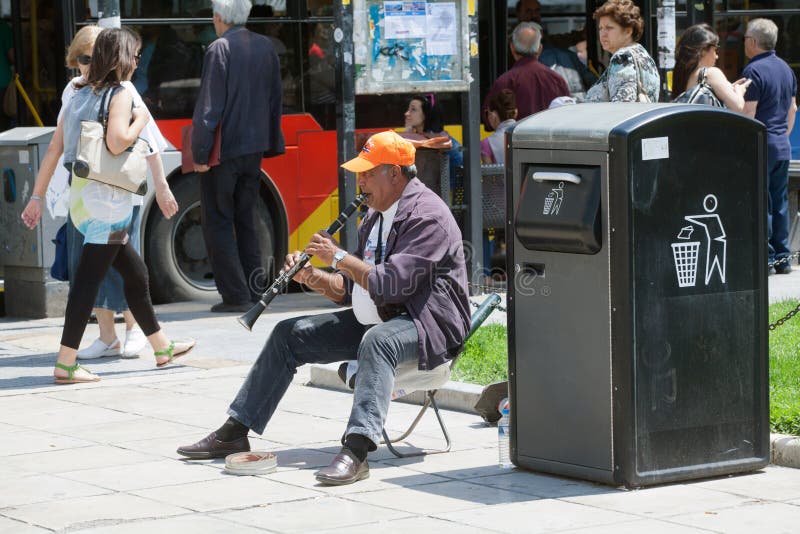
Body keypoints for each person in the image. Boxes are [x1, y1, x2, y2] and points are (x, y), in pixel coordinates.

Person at [177, 130, 471, 486]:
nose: (359, 181)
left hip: (425, 327)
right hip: (380, 319)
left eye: (367, 172)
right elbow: (351, 289)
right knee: (290, 334)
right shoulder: (375, 216)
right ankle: (235, 430)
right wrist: (311, 276)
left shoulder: (427, 216)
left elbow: (392, 284)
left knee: (378, 341)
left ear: (394, 173)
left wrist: (340, 256)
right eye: (358, 172)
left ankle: (358, 451)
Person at [20, 27, 194, 384]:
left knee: (136, 274)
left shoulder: (78, 92)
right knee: (87, 283)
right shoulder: (117, 94)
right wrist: (141, 119)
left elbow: (55, 148)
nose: (137, 60)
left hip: (84, 201)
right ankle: (66, 363)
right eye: (134, 54)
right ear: (121, 59)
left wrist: (37, 196)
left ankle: (161, 346)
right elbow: (117, 143)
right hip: (107, 202)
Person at [191, 0, 285, 313]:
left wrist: (200, 152)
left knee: (218, 221)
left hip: (225, 151)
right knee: (247, 219)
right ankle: (257, 291)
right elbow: (275, 98)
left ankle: (235, 295)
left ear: (219, 18)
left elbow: (210, 106)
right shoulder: (266, 47)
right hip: (254, 149)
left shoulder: (219, 48)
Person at [741, 18, 798, 273]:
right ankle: (784, 259)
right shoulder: (787, 69)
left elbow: (748, 112)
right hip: (781, 146)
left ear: (752, 42)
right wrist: (782, 135)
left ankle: (766, 258)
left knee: (762, 204)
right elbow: (792, 109)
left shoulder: (753, 72)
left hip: (760, 146)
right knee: (781, 203)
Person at [482, 22, 569, 128]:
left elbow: (488, 120)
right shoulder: (557, 80)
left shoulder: (505, 81)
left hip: (517, 143)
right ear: (540, 49)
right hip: (550, 143)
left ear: (512, 48)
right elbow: (567, 117)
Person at [515, 0, 597, 101]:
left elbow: (595, 83)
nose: (534, 15)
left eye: (537, 11)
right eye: (528, 11)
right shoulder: (512, 51)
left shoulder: (566, 55)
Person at [584, 0, 660, 103]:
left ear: (628, 31)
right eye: (600, 28)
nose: (602, 34)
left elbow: (622, 107)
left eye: (609, 28)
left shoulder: (623, 57)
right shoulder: (644, 55)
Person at [672, 24, 751, 112]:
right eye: (715, 50)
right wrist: (739, 91)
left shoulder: (683, 74)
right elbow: (739, 106)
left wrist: (728, 88)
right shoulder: (711, 73)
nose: (717, 56)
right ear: (703, 51)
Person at [403, 94, 463, 180]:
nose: (407, 113)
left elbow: (419, 176)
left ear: (427, 114)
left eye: (413, 109)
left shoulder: (434, 142)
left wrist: (408, 133)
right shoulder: (428, 138)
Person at [480, 89, 517, 165]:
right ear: (516, 112)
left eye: (487, 113)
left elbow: (488, 175)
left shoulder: (486, 143)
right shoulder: (529, 135)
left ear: (493, 116)